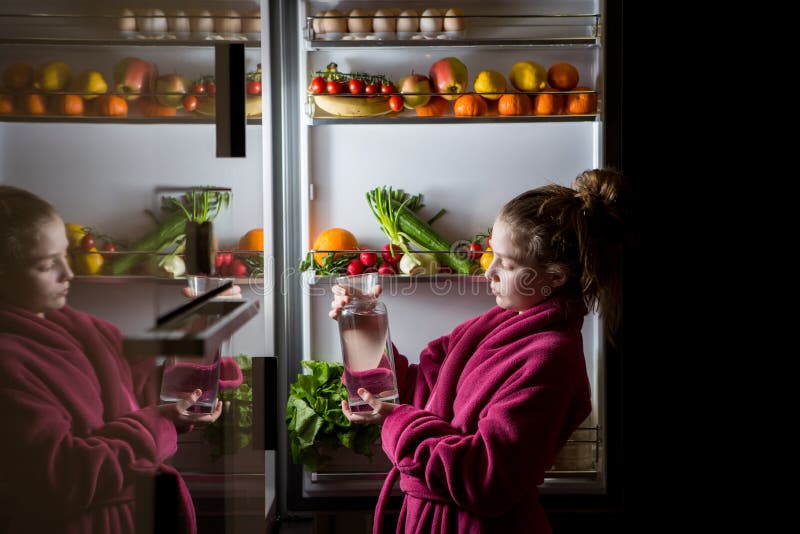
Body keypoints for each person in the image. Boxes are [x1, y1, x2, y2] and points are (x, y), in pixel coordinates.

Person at [330, 169, 628, 533]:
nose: (489, 272)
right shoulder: (492, 325)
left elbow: (486, 479)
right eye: (492, 254)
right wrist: (361, 323)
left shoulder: (551, 360)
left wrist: (396, 422)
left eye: (508, 263)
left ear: (555, 276)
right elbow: (421, 395)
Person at [0, 185, 223, 534]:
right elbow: (64, 475)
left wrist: (204, 325)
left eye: (65, 255)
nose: (68, 273)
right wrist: (156, 426)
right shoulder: (9, 361)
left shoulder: (87, 331)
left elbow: (144, 390)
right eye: (46, 264)